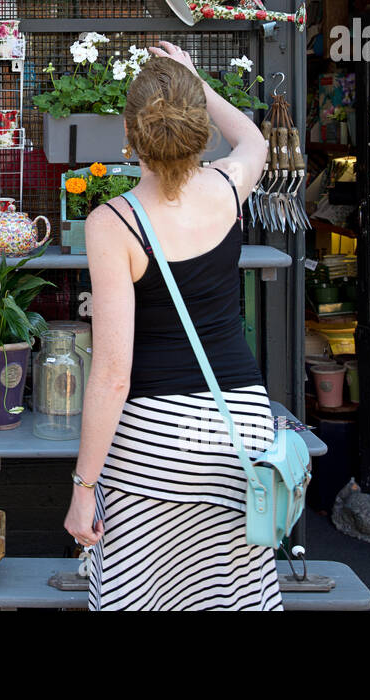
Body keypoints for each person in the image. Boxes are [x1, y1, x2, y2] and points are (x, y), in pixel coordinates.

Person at [63, 40, 281, 611]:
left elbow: (112, 374)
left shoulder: (113, 223)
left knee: (142, 595)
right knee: (230, 597)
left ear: (129, 138)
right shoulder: (228, 187)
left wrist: (84, 490)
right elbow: (254, 139)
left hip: (156, 444)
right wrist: (196, 82)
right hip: (242, 431)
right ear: (198, 131)